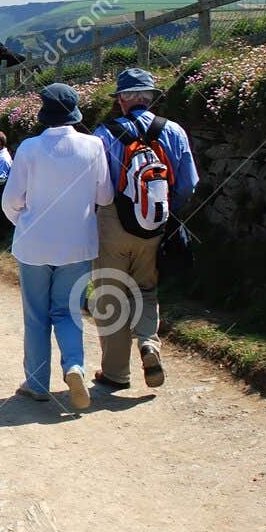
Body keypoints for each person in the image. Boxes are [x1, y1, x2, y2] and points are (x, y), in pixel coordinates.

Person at [0, 84, 113, 409]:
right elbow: (104, 196)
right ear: (74, 112)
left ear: (44, 113)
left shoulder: (29, 148)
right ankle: (74, 366)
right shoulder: (94, 146)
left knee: (36, 316)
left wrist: (23, 224)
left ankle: (36, 383)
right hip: (78, 245)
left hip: (33, 244)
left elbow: (11, 200)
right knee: (67, 312)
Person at [87, 68, 199, 391]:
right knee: (146, 289)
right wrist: (167, 212)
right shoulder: (174, 131)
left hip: (112, 223)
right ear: (150, 98)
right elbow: (189, 184)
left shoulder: (103, 134)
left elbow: (94, 186)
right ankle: (149, 342)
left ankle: (116, 373)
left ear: (121, 100)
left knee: (112, 293)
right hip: (155, 223)